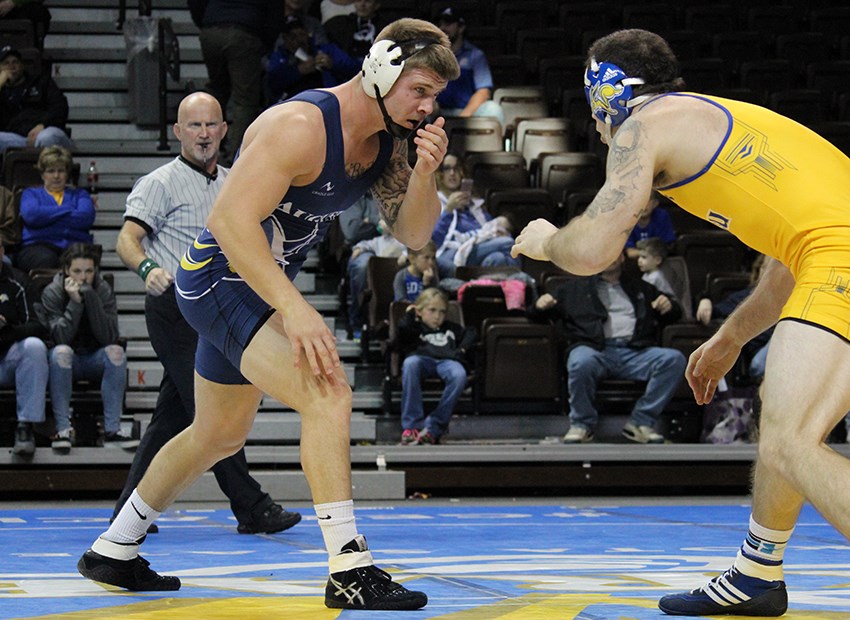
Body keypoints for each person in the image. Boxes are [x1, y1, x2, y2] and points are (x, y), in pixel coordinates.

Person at [77, 18, 459, 611]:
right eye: (421, 90)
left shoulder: (385, 140)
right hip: (216, 278)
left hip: (255, 285)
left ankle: (114, 549)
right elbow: (229, 223)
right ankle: (350, 570)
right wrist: (295, 308)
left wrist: (425, 176)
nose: (429, 106)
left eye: (436, 95)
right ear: (381, 70)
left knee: (217, 433)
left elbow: (412, 232)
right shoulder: (299, 126)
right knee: (327, 391)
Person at [510, 27, 850, 617]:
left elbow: (593, 250)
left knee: (792, 444)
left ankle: (758, 573)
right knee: (786, 432)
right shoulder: (719, 120)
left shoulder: (645, 124)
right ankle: (757, 574)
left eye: (593, 110)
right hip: (828, 256)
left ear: (606, 95)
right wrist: (732, 336)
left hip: (838, 258)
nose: (594, 126)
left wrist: (545, 242)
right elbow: (789, 263)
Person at [109, 92, 301, 535]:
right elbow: (126, 239)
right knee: (212, 412)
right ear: (178, 131)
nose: (204, 134)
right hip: (175, 305)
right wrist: (147, 268)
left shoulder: (239, 179)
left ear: (224, 130)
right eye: (194, 126)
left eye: (212, 124)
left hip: (221, 307)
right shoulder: (159, 182)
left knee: (175, 411)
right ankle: (252, 506)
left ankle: (129, 508)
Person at [533, 251, 685, 444]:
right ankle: (582, 424)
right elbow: (539, 314)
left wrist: (669, 305)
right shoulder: (573, 289)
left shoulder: (641, 287)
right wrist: (540, 305)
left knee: (674, 359)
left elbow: (674, 314)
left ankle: (640, 422)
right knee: (580, 360)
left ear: (622, 257)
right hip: (595, 350)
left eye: (612, 251)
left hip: (635, 351)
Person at [37, 243, 136, 450]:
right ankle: (63, 429)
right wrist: (74, 303)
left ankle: (112, 430)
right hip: (64, 359)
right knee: (61, 353)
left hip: (93, 357)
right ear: (66, 271)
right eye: (77, 271)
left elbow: (109, 337)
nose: (83, 277)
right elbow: (59, 338)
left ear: (95, 271)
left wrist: (90, 298)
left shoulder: (102, 290)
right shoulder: (53, 291)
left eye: (89, 271)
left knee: (116, 353)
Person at [188, 0, 281, 164]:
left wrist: (206, 23)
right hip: (244, 31)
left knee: (217, 90)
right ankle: (235, 159)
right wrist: (265, 43)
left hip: (211, 30)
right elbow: (275, 12)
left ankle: (203, 149)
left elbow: (195, 3)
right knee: (245, 100)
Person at [397, 287, 473, 445]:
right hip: (421, 359)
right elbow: (402, 330)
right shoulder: (415, 328)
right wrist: (411, 314)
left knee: (459, 374)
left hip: (447, 360)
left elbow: (471, 332)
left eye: (442, 312)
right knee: (410, 364)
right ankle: (412, 426)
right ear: (420, 311)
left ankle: (434, 427)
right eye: (432, 310)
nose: (437, 316)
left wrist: (462, 349)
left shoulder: (450, 328)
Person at [432, 152, 516, 277]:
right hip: (451, 253)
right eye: (447, 168)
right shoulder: (435, 201)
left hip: (476, 249)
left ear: (462, 172)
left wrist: (499, 228)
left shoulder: (474, 203)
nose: (452, 173)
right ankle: (520, 282)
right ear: (440, 174)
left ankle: (481, 288)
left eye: (456, 168)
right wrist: (449, 210)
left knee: (498, 258)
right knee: (508, 243)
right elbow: (434, 242)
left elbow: (489, 229)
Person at [0, 239, 48, 456]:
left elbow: (38, 326)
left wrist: (7, 329)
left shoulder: (19, 281)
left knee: (34, 347)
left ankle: (25, 427)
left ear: (1, 252)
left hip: (7, 359)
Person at [16, 145, 95, 273]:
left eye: (61, 171)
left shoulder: (80, 194)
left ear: (67, 174)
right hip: (37, 246)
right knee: (47, 260)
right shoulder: (31, 194)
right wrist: (68, 209)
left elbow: (85, 218)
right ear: (42, 174)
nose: (56, 176)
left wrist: (47, 217)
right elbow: (32, 216)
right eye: (51, 171)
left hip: (74, 246)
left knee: (79, 263)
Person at [696, 255, 772, 384]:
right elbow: (711, 313)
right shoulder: (744, 298)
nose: (770, 273)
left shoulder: (796, 299)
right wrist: (704, 299)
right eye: (766, 268)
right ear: (758, 271)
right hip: (760, 357)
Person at [433, 7, 503, 124]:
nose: (442, 28)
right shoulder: (433, 55)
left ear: (461, 27)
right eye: (440, 24)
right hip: (437, 112)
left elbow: (483, 91)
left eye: (448, 23)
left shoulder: (475, 55)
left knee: (493, 109)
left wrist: (462, 119)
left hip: (466, 112)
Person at [265, 14, 352, 104]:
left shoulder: (326, 50)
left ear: (307, 33)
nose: (299, 40)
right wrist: (298, 71)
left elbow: (355, 70)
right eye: (293, 36)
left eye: (301, 34)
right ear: (285, 39)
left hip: (325, 102)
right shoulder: (279, 57)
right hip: (291, 105)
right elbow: (272, 84)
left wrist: (332, 64)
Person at [0, 45, 72, 153]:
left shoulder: (41, 82)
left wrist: (43, 125)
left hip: (46, 131)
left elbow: (60, 108)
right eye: (6, 63)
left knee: (47, 137)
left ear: (22, 65)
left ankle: (51, 170)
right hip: (18, 139)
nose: (12, 66)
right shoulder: (2, 91)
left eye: (15, 62)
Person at [345, 217, 405, 335]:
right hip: (381, 283)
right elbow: (366, 244)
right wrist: (359, 248)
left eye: (384, 220)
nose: (380, 223)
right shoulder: (379, 241)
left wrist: (405, 255)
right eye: (380, 220)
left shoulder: (402, 240)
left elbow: (410, 249)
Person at [324, 0, 388, 81]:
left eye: (368, 2)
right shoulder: (339, 23)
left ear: (377, 5)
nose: (362, 5)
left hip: (374, 68)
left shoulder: (385, 26)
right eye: (358, 0)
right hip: (347, 65)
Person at [624, 191, 676, 259]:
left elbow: (666, 246)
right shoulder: (627, 219)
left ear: (655, 203)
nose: (643, 204)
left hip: (659, 260)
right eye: (640, 200)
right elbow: (630, 252)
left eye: (647, 200)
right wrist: (645, 254)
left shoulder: (662, 216)